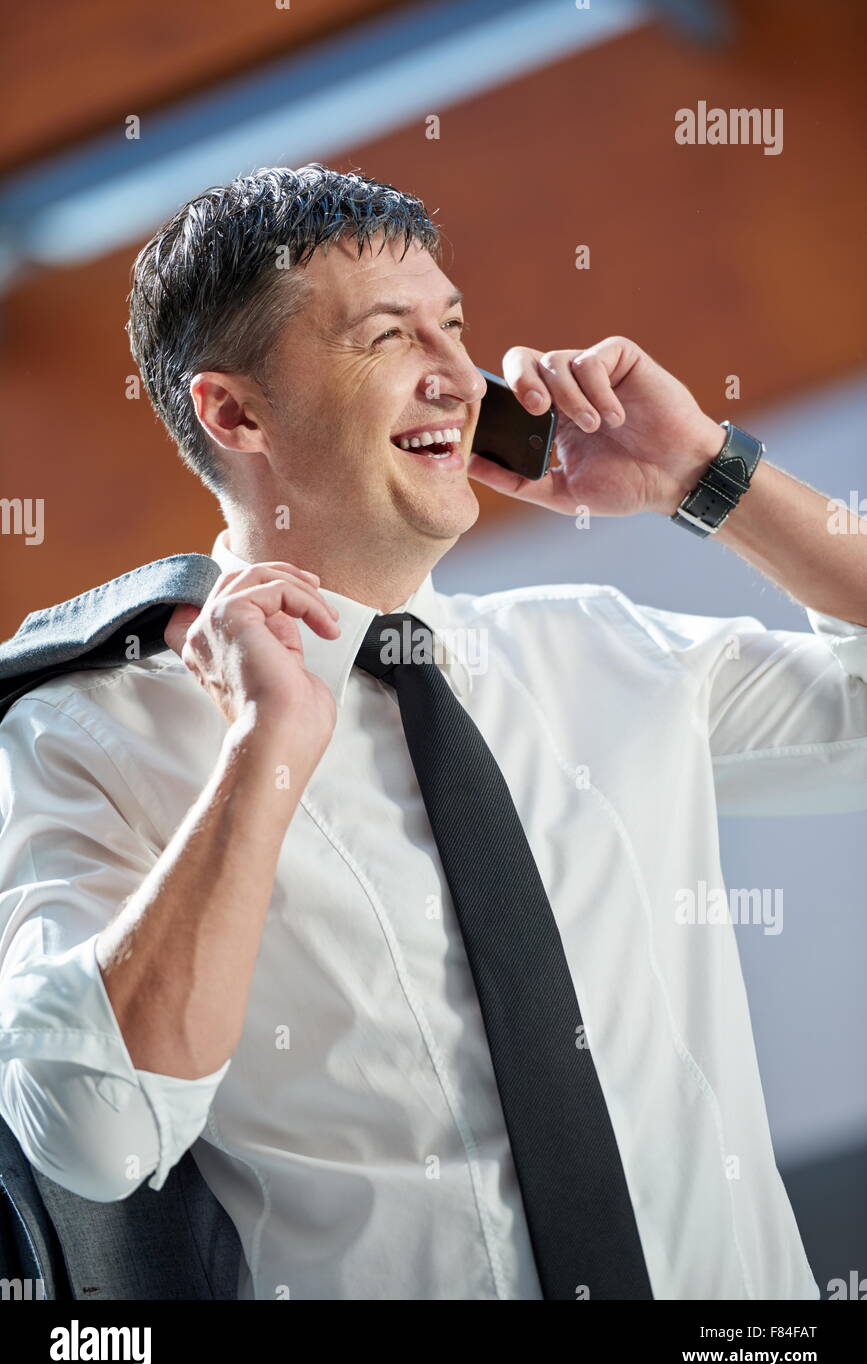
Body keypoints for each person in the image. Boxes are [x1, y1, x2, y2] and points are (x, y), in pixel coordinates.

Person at [0, 163, 865, 1301]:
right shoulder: (86, 733)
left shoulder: (595, 651)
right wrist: (267, 751)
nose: (460, 376)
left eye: (453, 327)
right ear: (234, 411)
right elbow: (93, 1130)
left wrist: (706, 475)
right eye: (387, 337)